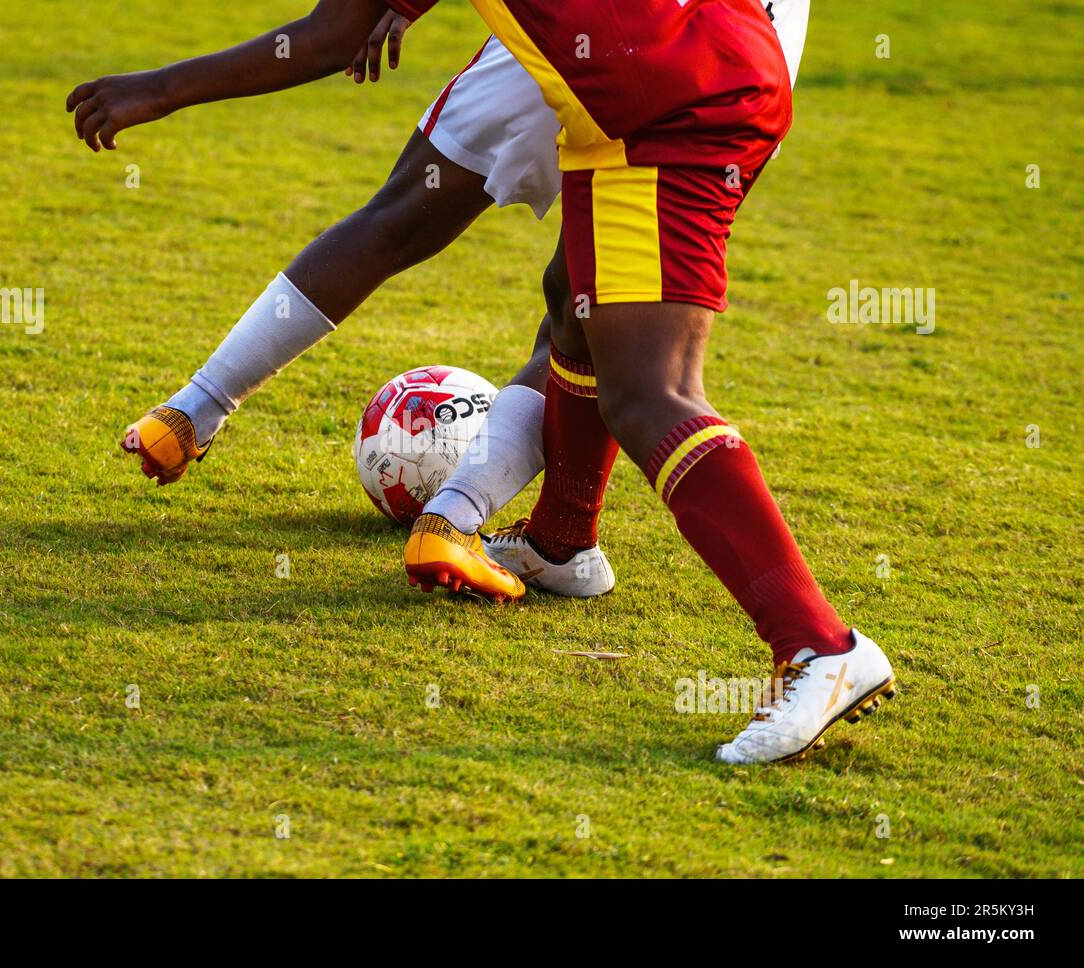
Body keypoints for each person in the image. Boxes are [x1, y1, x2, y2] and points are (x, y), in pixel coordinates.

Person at [68, 0, 895, 764]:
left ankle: (819, 646)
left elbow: (326, 35)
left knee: (649, 395)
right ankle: (561, 544)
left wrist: (161, 88)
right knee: (577, 318)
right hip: (670, 73)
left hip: (675, 106)